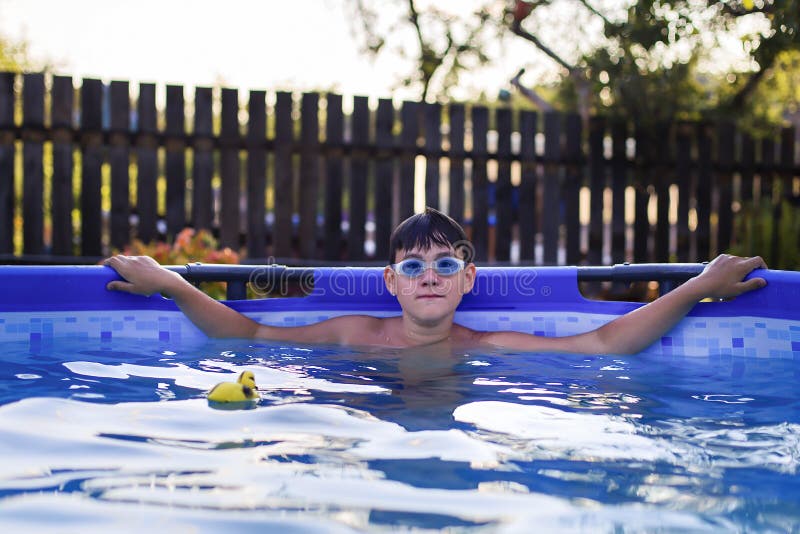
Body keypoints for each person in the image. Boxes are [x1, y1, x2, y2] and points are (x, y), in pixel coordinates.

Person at [104, 207, 767, 354]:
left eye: (445, 264)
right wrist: (171, 281)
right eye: (413, 266)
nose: (430, 276)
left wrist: (697, 285)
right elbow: (248, 331)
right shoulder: (356, 333)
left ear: (467, 279)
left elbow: (601, 344)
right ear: (391, 281)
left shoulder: (481, 347)